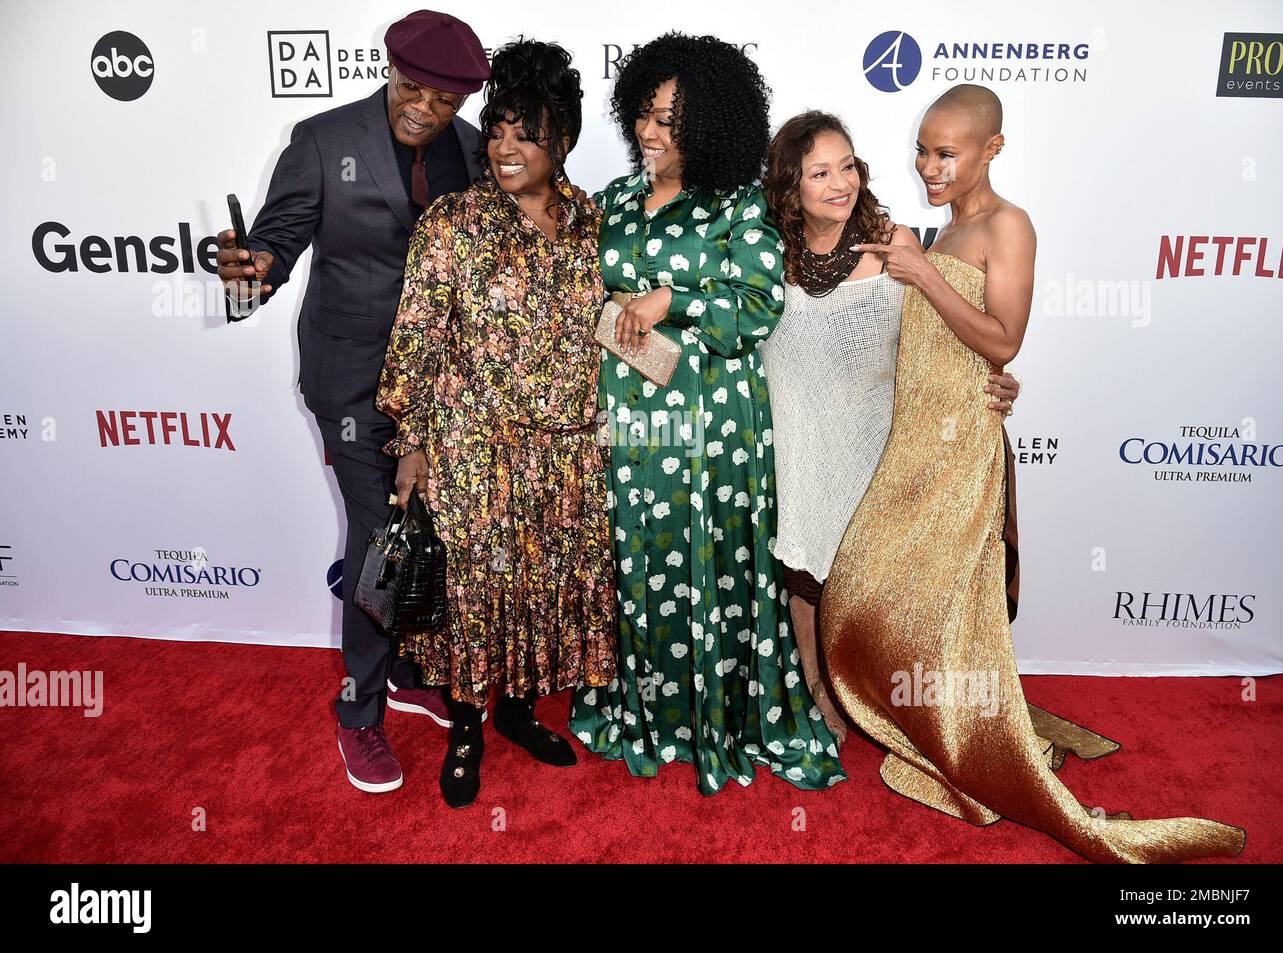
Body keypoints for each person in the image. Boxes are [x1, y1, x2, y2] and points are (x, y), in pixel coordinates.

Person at [819, 85, 1246, 862]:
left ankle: (968, 744)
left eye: (947, 153)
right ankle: (935, 722)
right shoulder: (948, 227)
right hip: (915, 438)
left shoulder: (1008, 224)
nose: (929, 166)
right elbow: (944, 342)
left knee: (939, 602)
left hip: (957, 450)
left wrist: (923, 274)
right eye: (922, 150)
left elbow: (1003, 339)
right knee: (875, 596)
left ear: (993, 149)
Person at [214, 10, 490, 794]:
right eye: (412, 89)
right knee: (380, 539)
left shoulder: (474, 152)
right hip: (352, 382)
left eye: (444, 100)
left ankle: (404, 671)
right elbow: (274, 247)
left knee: (425, 531)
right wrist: (251, 271)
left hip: (438, 391)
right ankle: (358, 712)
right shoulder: (322, 139)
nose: (424, 110)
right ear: (389, 69)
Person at [569, 33, 845, 794]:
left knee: (711, 565)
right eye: (645, 115)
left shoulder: (737, 205)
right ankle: (647, 710)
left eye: (670, 121)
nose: (650, 132)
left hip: (711, 425)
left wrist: (675, 299)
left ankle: (721, 719)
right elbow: (580, 294)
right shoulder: (613, 202)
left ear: (713, 125)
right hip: (628, 420)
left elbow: (759, 306)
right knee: (638, 561)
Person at [375, 40, 617, 808]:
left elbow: (620, 329)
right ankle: (465, 730)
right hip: (473, 453)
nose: (506, 148)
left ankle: (518, 710)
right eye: (498, 131)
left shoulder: (594, 224)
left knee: (543, 591)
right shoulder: (454, 222)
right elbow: (415, 338)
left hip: (567, 456)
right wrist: (411, 444)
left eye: (527, 135)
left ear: (563, 142)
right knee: (476, 597)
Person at [760, 111, 1020, 744]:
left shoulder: (894, 242)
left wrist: (988, 382)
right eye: (820, 173)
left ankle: (869, 690)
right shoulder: (765, 249)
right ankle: (818, 689)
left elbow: (937, 343)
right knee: (803, 573)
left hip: (876, 439)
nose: (840, 183)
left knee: (869, 573)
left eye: (848, 166)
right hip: (795, 438)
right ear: (791, 186)